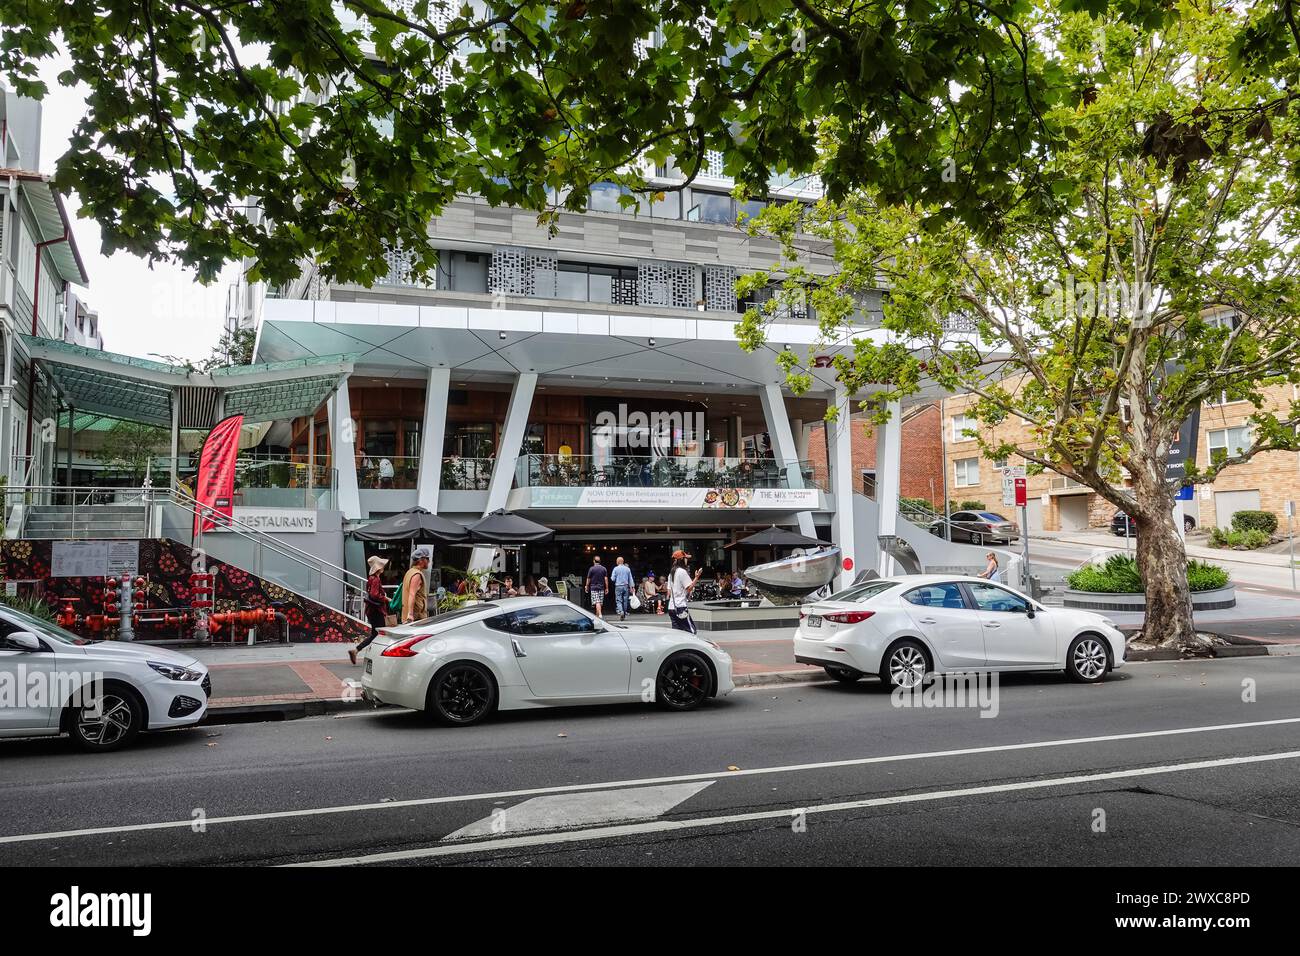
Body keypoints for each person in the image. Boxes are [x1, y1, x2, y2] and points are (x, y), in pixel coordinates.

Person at [351, 555, 389, 665]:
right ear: (379, 568)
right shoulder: (376, 579)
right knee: (380, 634)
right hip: (376, 611)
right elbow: (374, 595)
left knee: (375, 634)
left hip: (372, 611)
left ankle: (357, 650)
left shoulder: (371, 579)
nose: (383, 567)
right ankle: (373, 655)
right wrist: (385, 598)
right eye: (382, 565)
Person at [666, 549, 703, 633]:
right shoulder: (682, 572)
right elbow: (689, 587)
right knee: (691, 631)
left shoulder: (671, 573)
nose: (687, 560)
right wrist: (697, 577)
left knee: (677, 633)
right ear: (682, 560)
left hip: (672, 607)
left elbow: (668, 592)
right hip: (680, 607)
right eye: (686, 558)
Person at [402, 548, 432, 623]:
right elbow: (412, 594)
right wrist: (410, 614)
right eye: (427, 558)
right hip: (416, 617)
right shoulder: (416, 575)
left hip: (412, 616)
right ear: (421, 560)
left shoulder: (410, 572)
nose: (429, 561)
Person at [610, 556, 634, 621]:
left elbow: (612, 579)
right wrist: (632, 587)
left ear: (618, 562)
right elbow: (630, 579)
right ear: (623, 562)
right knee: (625, 600)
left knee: (618, 600)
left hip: (618, 586)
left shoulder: (615, 569)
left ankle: (621, 611)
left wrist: (616, 578)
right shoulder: (627, 569)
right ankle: (625, 612)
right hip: (626, 586)